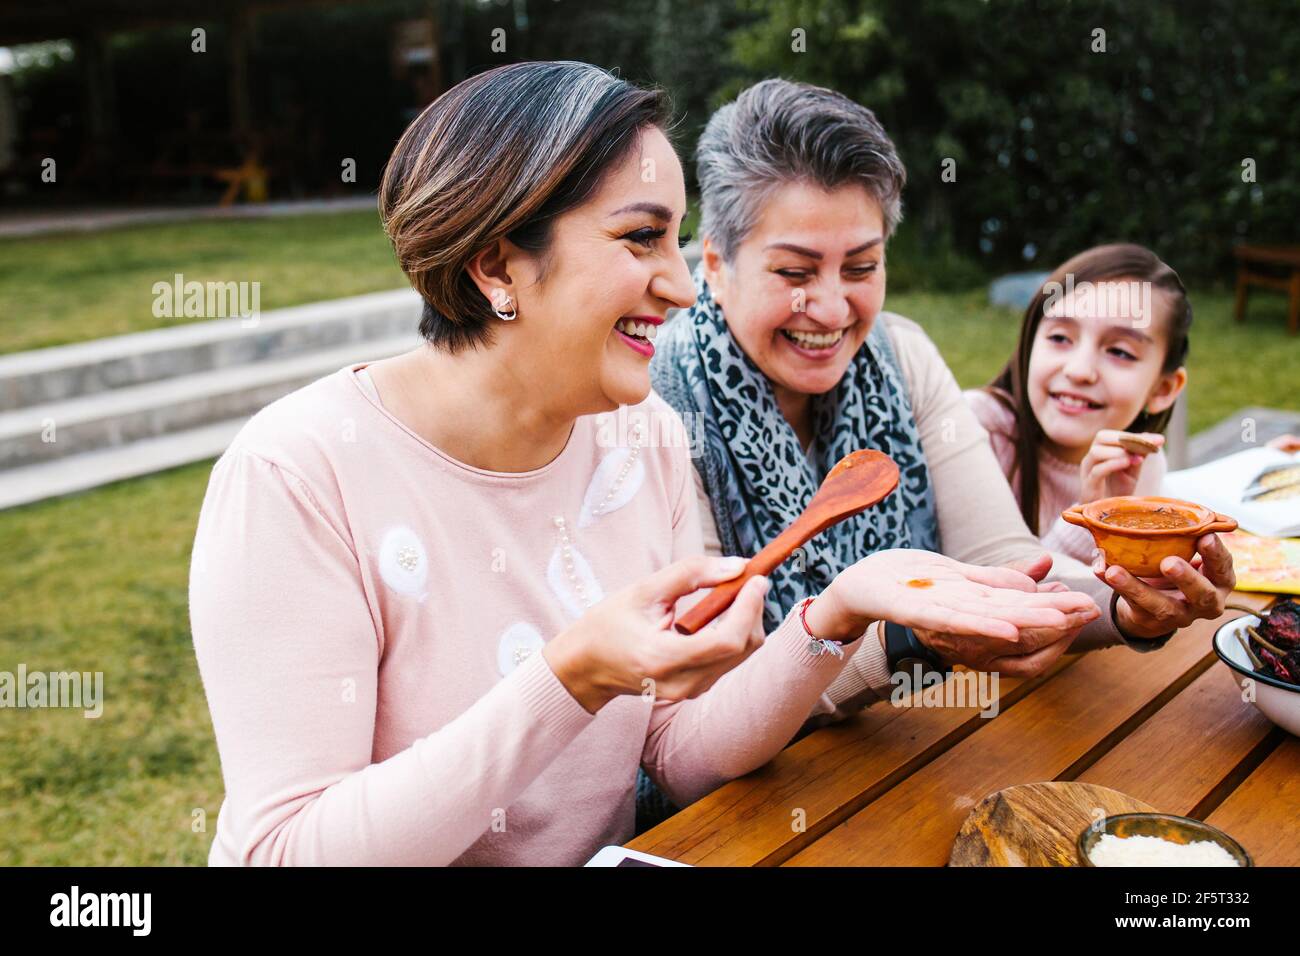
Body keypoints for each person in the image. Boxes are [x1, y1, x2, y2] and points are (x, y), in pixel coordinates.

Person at [187, 61, 1089, 866]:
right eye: (640, 238)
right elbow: (285, 851)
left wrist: (832, 615)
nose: (686, 284)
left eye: (676, 236)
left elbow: (674, 750)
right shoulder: (297, 475)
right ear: (498, 266)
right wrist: (569, 677)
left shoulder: (643, 434)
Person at [650, 79, 1236, 729]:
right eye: (794, 272)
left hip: (906, 750)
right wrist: (908, 643)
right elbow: (707, 692)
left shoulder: (904, 354)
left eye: (861, 267)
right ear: (716, 264)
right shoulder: (659, 401)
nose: (833, 308)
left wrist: (1128, 607)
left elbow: (1006, 564)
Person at [965, 243, 1190, 565]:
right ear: (1030, 344)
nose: (1079, 370)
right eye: (1060, 338)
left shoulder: (1141, 466)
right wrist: (1088, 520)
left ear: (1163, 389)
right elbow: (988, 590)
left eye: (1120, 352)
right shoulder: (978, 430)